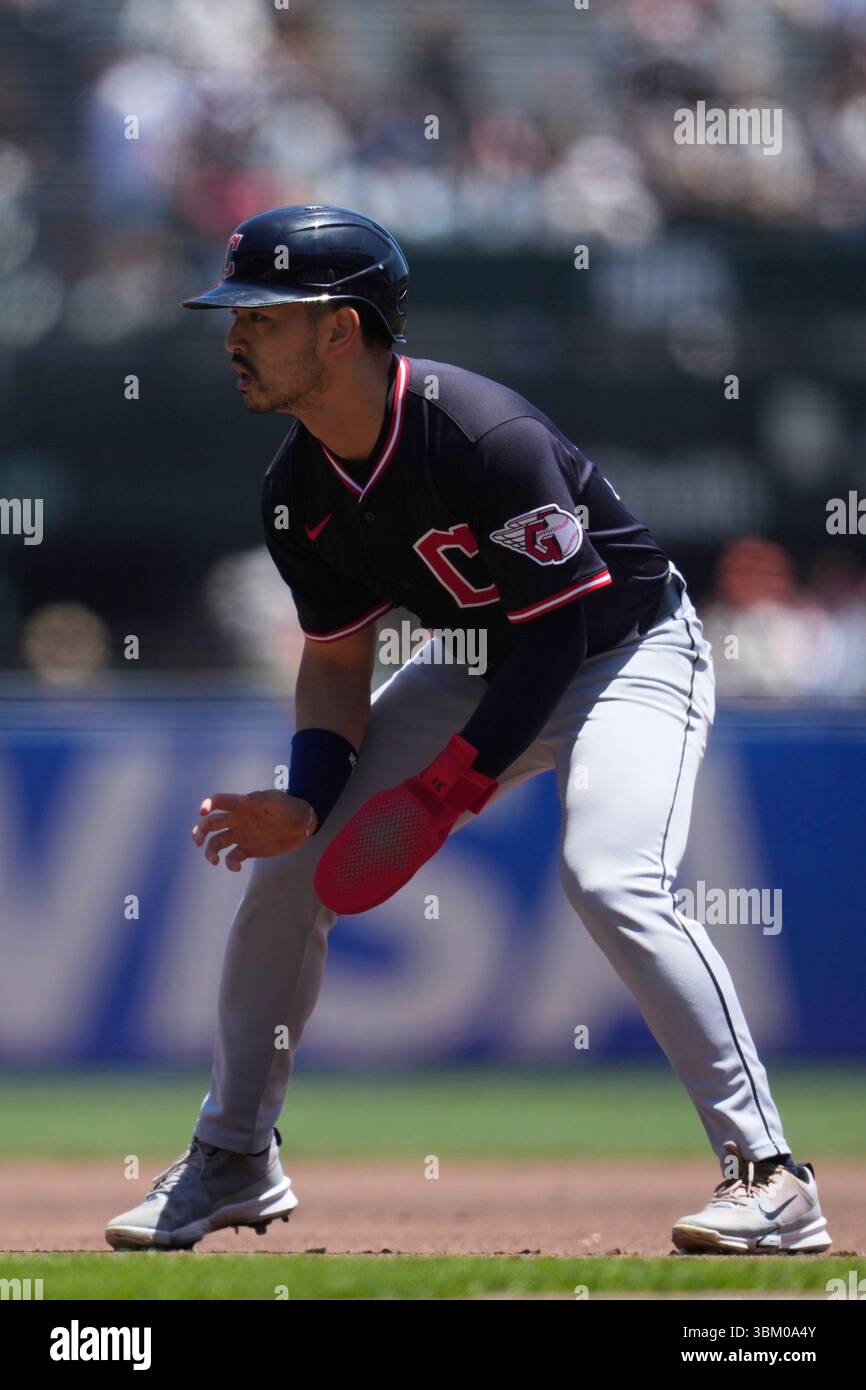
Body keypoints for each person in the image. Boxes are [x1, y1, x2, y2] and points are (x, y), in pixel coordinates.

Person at [105, 206, 831, 1255]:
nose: (233, 338)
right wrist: (309, 796)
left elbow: (556, 638)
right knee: (286, 876)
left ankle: (769, 1175)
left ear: (339, 330)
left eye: (261, 316)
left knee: (609, 873)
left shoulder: (482, 433)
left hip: (624, 651)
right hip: (480, 657)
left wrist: (446, 788)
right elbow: (341, 659)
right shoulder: (295, 489)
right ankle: (233, 1156)